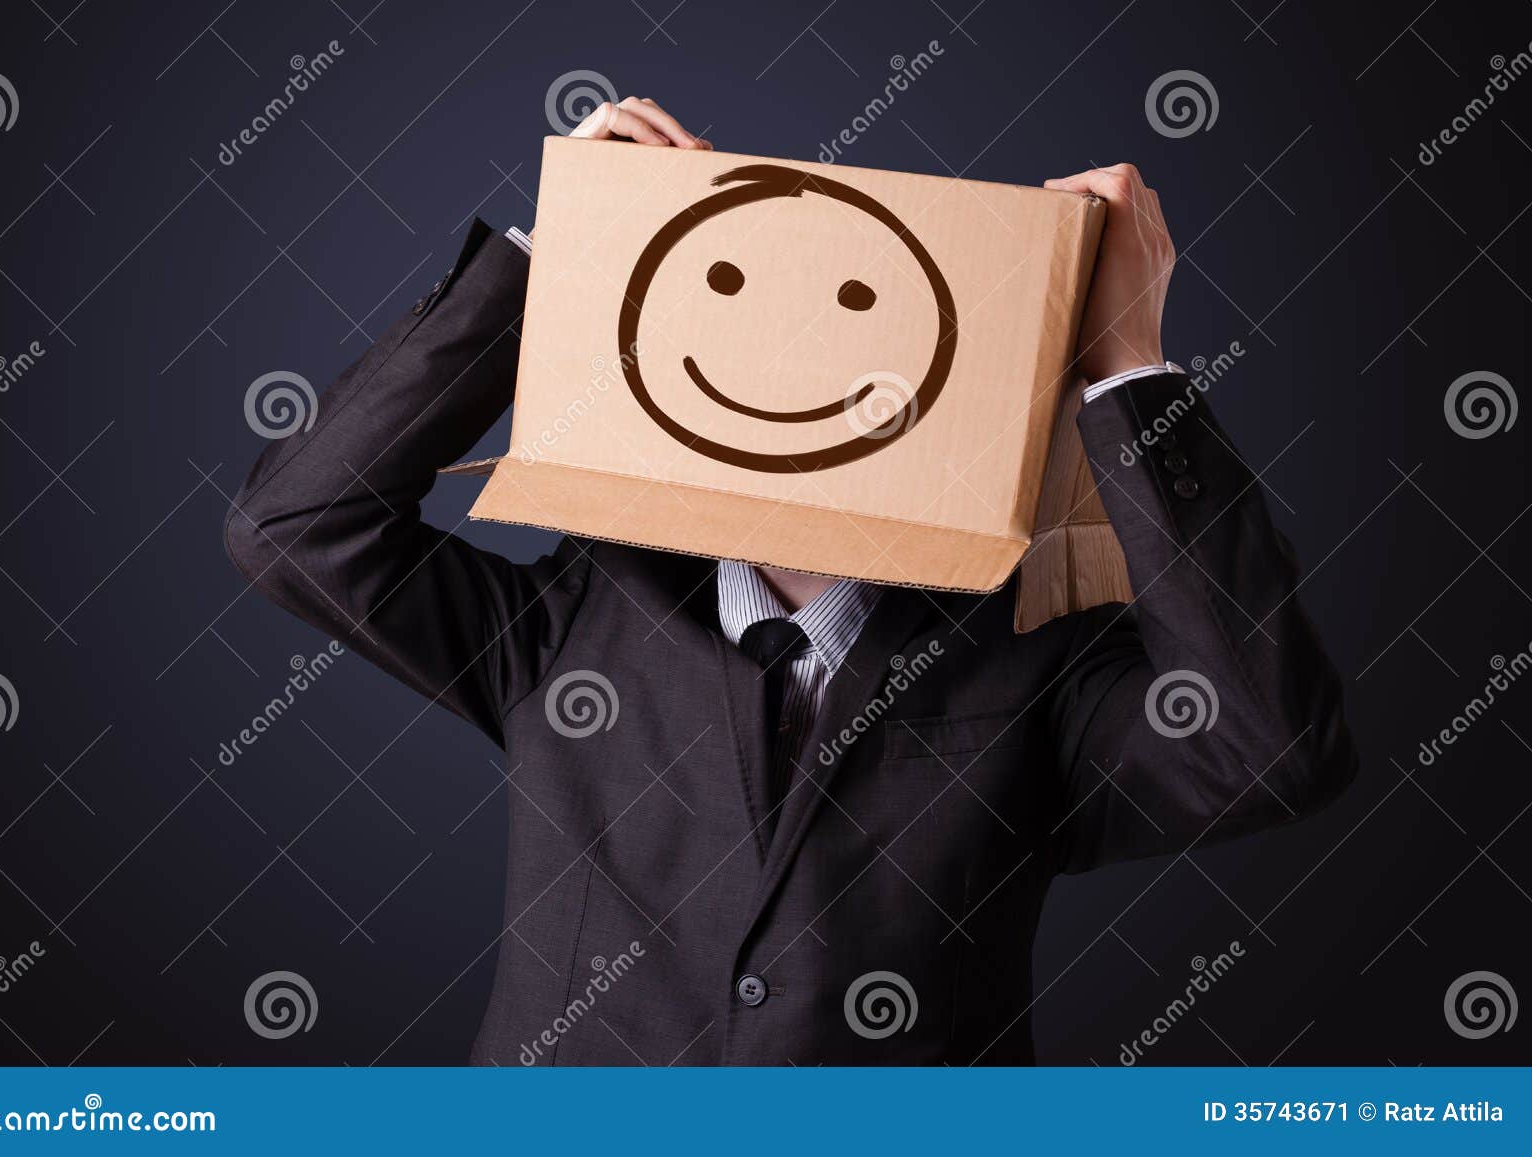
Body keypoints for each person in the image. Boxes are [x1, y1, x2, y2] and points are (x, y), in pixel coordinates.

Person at [224, 96, 1356, 1064]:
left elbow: (1270, 749)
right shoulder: (569, 623)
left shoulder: (1035, 656)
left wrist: (1129, 365)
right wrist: (550, 260)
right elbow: (297, 525)